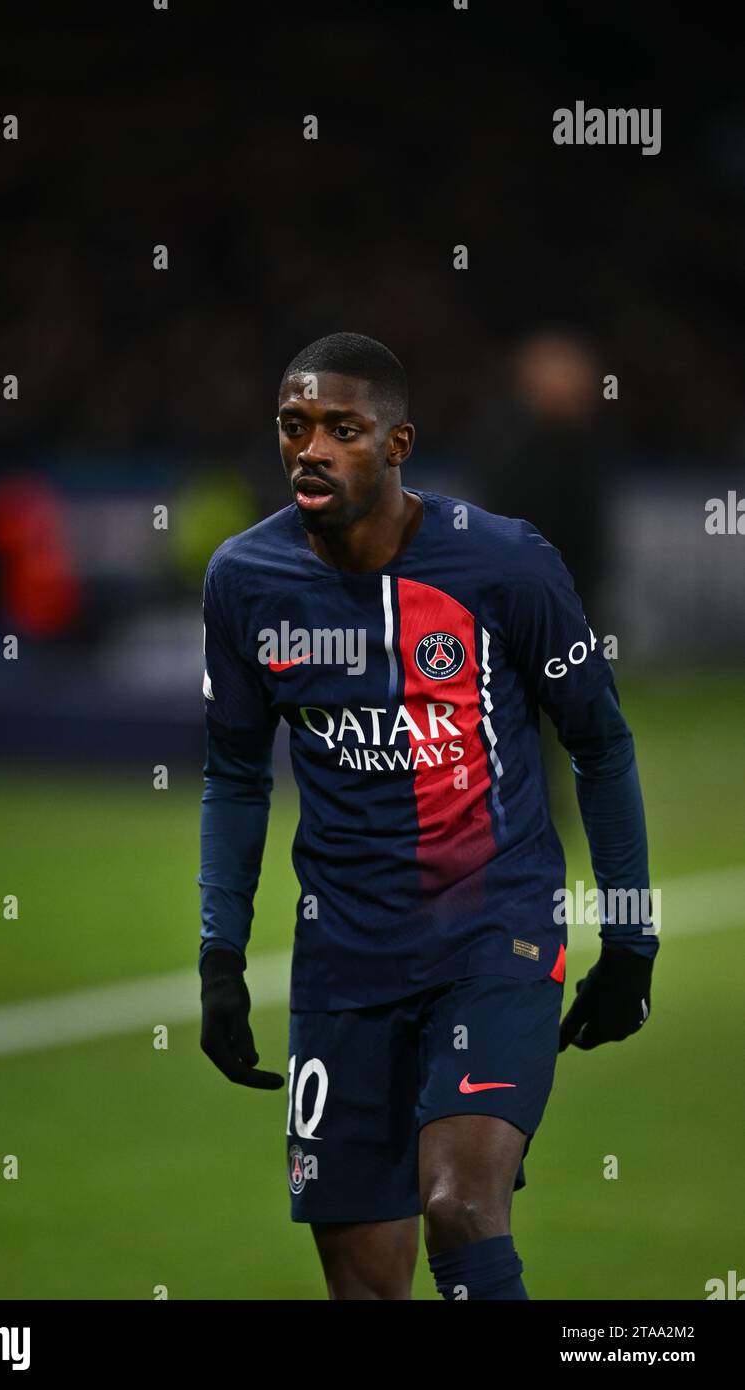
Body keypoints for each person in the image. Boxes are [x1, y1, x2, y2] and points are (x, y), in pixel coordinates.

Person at [197, 332, 658, 1301]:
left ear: (396, 443)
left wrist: (630, 940)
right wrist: (218, 956)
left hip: (490, 940)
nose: (311, 449)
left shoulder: (502, 564)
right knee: (363, 1284)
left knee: (456, 1204)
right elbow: (235, 773)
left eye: (341, 429)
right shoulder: (244, 580)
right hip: (341, 964)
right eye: (294, 427)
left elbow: (600, 743)